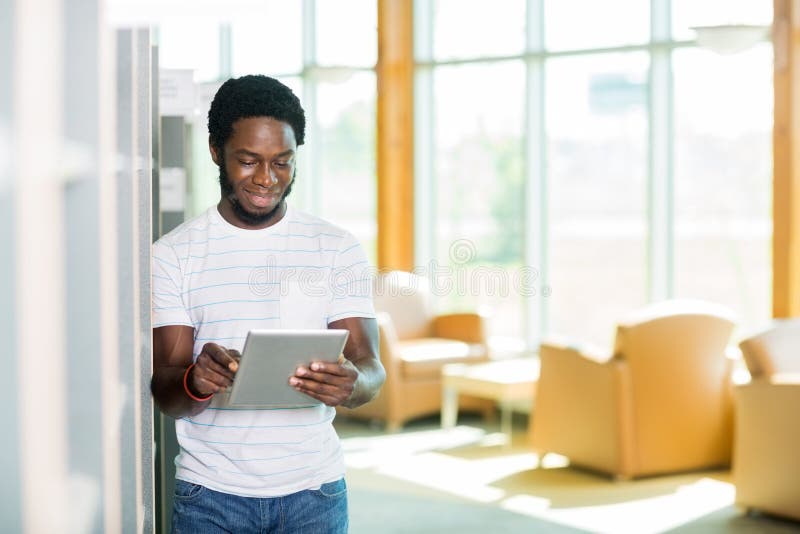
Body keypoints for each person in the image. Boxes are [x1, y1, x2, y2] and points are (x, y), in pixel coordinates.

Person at [150, 74, 385, 533]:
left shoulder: (336, 248)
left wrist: (353, 383)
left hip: (315, 493)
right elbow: (166, 393)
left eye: (282, 162)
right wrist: (196, 381)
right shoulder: (173, 255)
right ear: (216, 151)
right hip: (209, 497)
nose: (266, 178)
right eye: (248, 161)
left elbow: (371, 368)